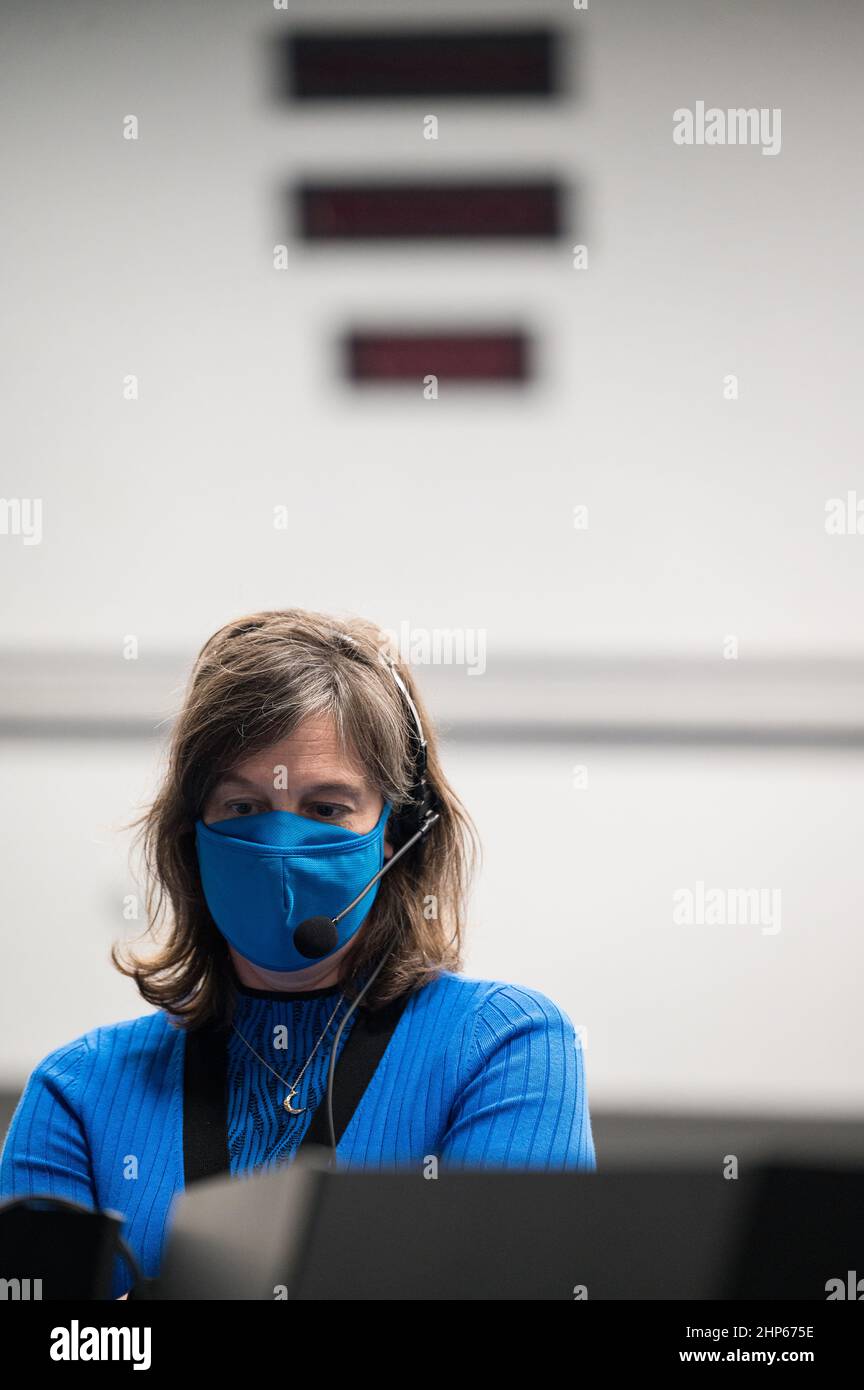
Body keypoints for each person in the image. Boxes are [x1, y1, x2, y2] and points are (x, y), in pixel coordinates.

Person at [0, 609, 596, 1298]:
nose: (281, 847)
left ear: (399, 832)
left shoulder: (504, 1051)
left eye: (326, 808)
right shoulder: (77, 1095)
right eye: (243, 806)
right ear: (191, 835)